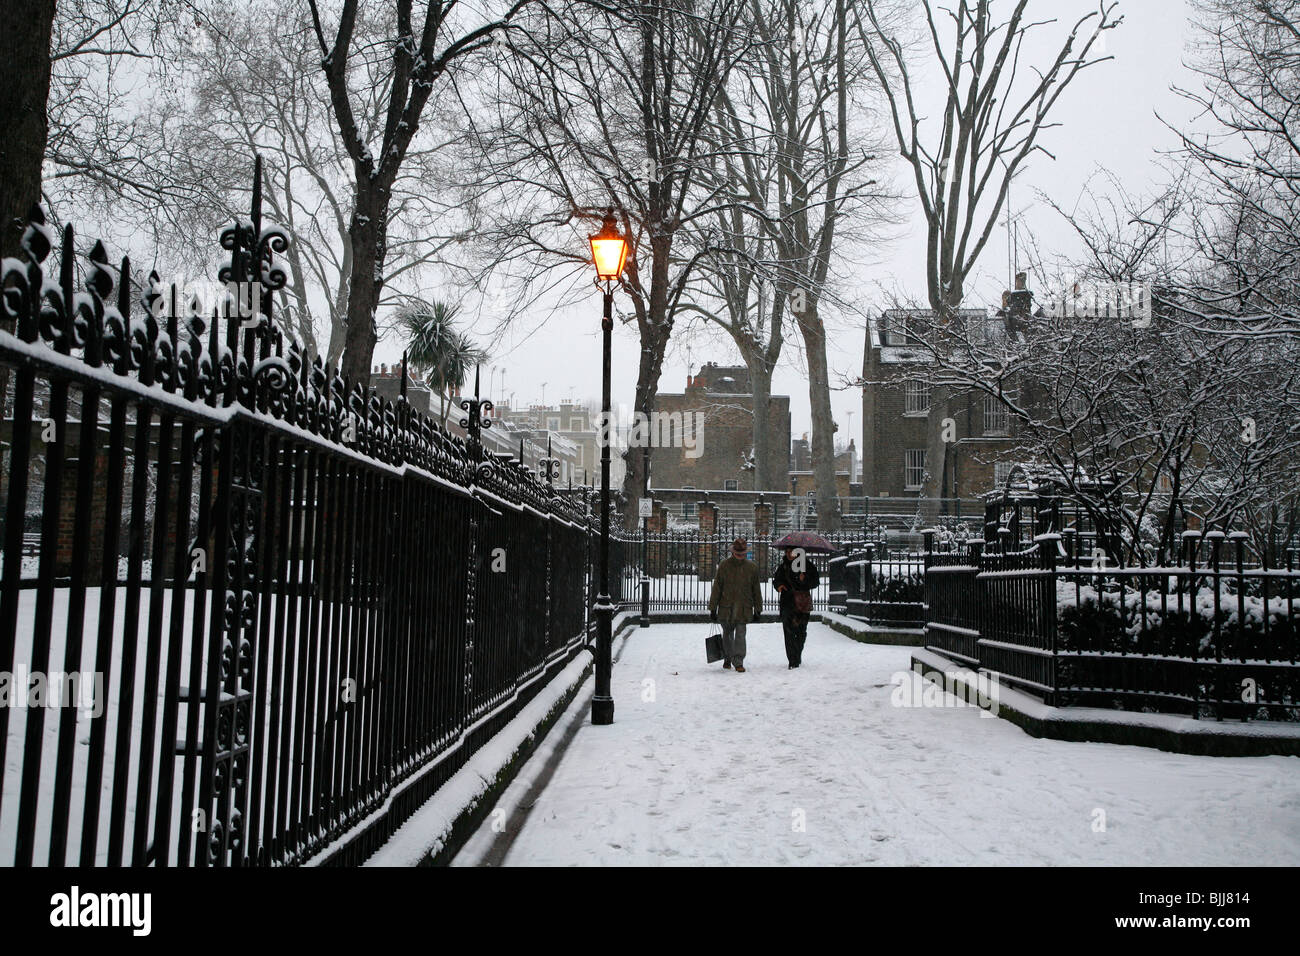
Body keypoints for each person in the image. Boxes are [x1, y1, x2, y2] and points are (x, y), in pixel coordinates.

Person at [708, 537, 762, 672]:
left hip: (744, 607)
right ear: (733, 552)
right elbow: (717, 587)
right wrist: (713, 608)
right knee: (727, 633)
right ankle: (727, 658)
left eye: (742, 554)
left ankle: (738, 661)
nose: (740, 556)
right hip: (726, 606)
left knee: (740, 634)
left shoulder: (752, 568)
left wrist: (758, 609)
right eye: (738, 554)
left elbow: (756, 589)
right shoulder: (724, 566)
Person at [773, 547, 819, 668]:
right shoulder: (783, 566)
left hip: (802, 604)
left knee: (801, 632)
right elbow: (776, 580)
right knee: (788, 633)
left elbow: (815, 582)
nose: (788, 554)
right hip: (787, 603)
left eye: (791, 552)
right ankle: (792, 660)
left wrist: (805, 580)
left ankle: (797, 655)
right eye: (787, 552)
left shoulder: (807, 566)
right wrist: (779, 586)